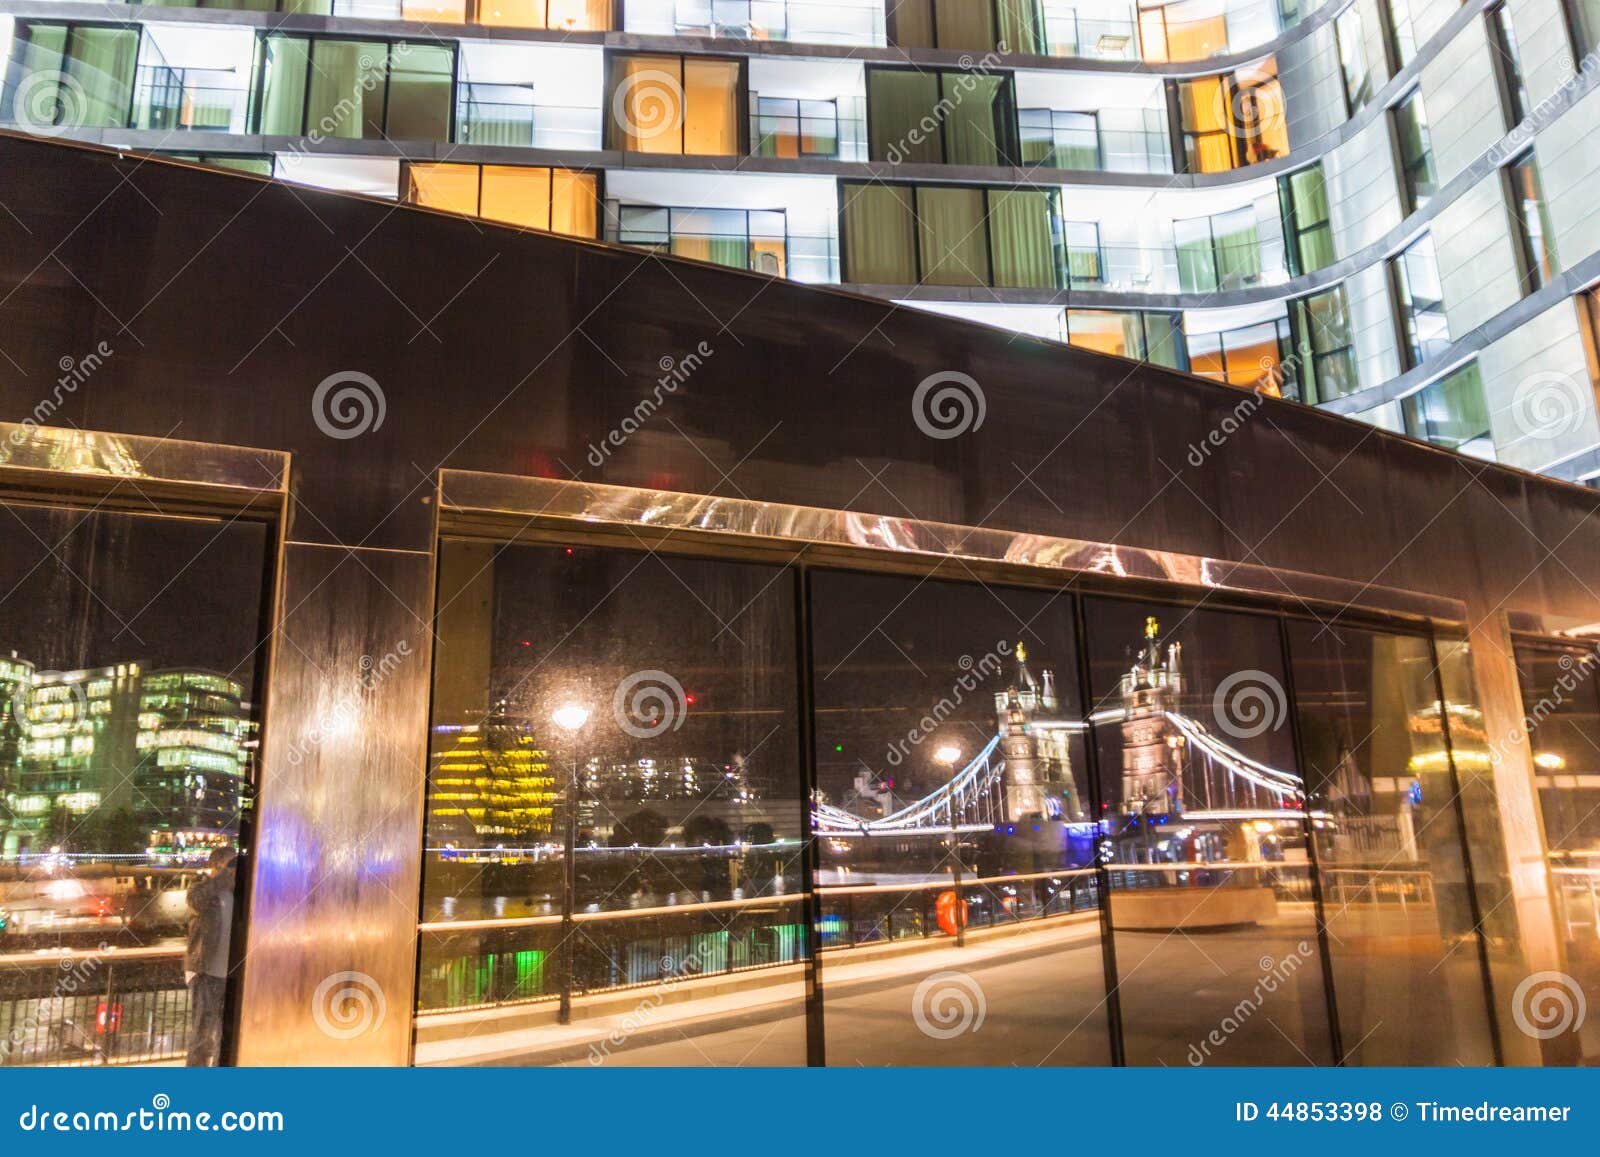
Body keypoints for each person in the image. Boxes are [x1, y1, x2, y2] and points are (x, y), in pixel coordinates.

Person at [184, 847, 236, 1066]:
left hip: (231, 974)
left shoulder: (238, 895)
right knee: (202, 1034)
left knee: (227, 1035)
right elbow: (196, 901)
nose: (235, 870)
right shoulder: (200, 888)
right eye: (231, 864)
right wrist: (221, 878)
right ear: (216, 866)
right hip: (206, 972)